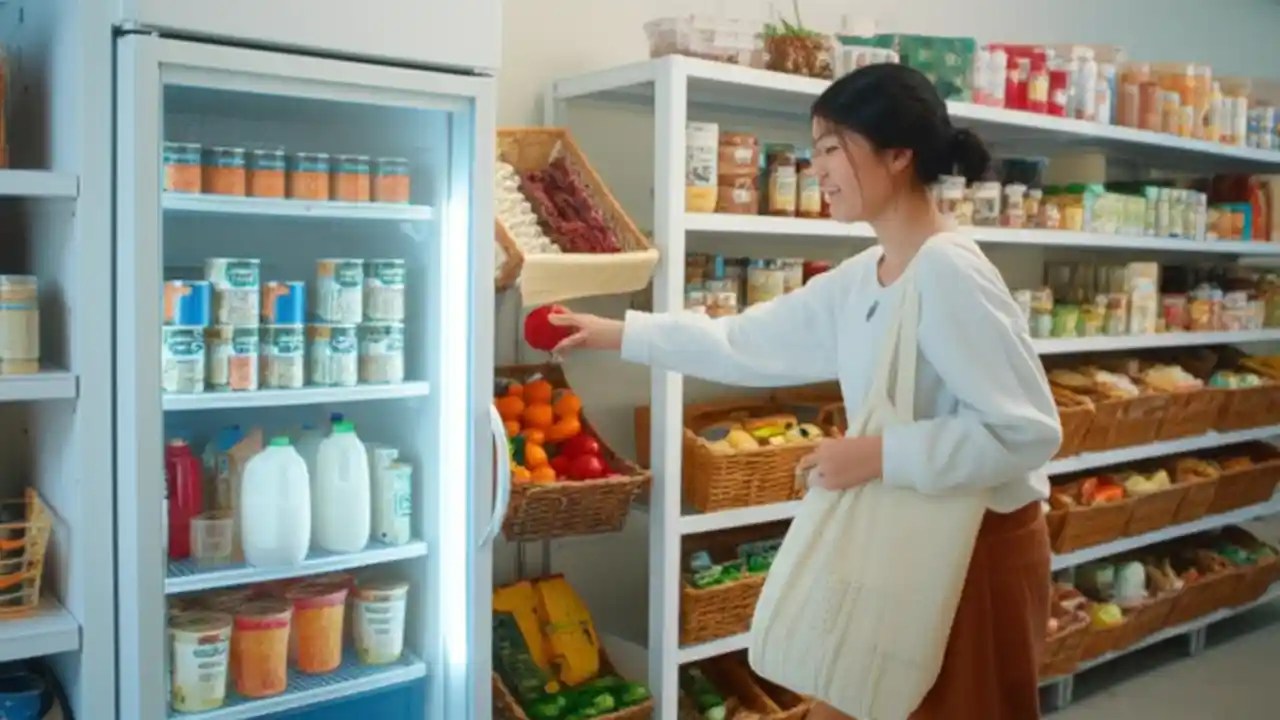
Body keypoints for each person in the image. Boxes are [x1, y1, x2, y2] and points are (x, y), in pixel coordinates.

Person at [549, 63, 1062, 720]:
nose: (816, 169)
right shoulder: (866, 277)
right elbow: (743, 339)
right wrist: (616, 333)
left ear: (898, 154)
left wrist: (874, 456)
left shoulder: (950, 270)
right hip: (909, 535)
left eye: (830, 148)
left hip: (977, 552)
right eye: (814, 150)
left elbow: (1025, 432)